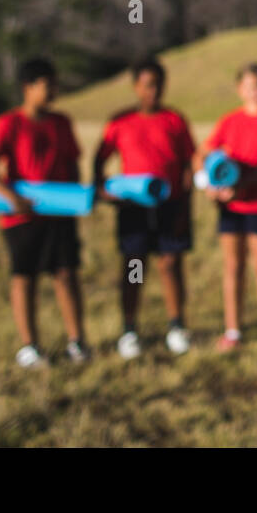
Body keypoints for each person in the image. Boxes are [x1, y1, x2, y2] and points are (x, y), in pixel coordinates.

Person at [0, 57, 89, 368]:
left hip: (59, 214)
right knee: (24, 277)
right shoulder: (7, 124)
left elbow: (72, 162)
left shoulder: (62, 122)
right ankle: (30, 345)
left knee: (66, 274)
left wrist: (75, 199)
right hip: (21, 217)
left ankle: (77, 341)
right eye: (48, 84)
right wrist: (10, 197)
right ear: (28, 88)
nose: (54, 90)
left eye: (55, 83)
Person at [93, 57, 196, 358]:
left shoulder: (175, 120)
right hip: (133, 207)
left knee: (170, 264)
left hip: (170, 203)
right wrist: (102, 188)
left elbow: (189, 163)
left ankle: (177, 326)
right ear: (136, 86)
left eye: (159, 85)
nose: (154, 91)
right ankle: (129, 330)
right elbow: (100, 159)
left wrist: (184, 206)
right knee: (133, 267)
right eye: (149, 85)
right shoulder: (120, 121)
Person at [194, 63, 257, 353]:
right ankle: (233, 331)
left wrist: (243, 184)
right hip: (230, 207)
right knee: (232, 268)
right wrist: (207, 183)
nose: (255, 91)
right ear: (239, 89)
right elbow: (203, 153)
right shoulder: (228, 120)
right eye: (249, 86)